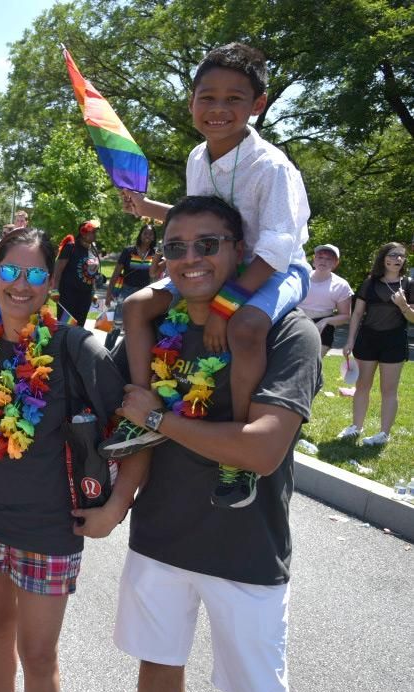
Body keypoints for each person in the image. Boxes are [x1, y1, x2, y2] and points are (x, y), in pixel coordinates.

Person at [89, 195, 320, 692]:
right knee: (158, 665)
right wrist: (116, 503)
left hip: (245, 550)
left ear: (241, 251)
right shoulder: (153, 327)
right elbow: (124, 422)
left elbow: (261, 451)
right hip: (159, 539)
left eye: (208, 244)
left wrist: (158, 418)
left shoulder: (285, 332)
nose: (191, 258)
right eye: (176, 247)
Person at [0, 227, 139, 692]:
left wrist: (116, 507)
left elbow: (134, 428)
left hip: (50, 531)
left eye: (34, 273)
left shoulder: (75, 346)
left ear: (51, 281)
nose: (21, 285)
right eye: (10, 271)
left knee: (37, 654)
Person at [112, 43, 312, 509]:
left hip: (274, 268)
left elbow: (277, 246)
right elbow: (197, 218)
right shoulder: (197, 157)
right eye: (208, 97)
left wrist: (226, 304)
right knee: (136, 306)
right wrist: (146, 207)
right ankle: (140, 412)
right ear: (192, 102)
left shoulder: (272, 166)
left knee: (245, 326)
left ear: (257, 104)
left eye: (233, 99)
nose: (218, 109)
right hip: (218, 263)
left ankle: (238, 447)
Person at [338, 242, 414, 446]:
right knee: (362, 386)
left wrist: (403, 305)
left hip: (394, 341)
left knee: (389, 390)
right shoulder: (369, 283)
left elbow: (413, 318)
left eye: (401, 256)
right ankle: (356, 427)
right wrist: (350, 340)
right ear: (383, 257)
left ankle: (383, 434)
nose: (397, 259)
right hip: (367, 340)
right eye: (393, 254)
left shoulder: (409, 284)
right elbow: (357, 314)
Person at [298, 244, 352, 357]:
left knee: (311, 362)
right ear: (314, 260)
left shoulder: (341, 285)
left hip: (323, 327)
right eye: (320, 257)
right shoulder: (300, 277)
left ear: (335, 263)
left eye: (328, 259)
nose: (323, 261)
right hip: (296, 320)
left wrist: (325, 321)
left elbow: (345, 316)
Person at [51, 220, 102, 325]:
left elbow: (92, 273)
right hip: (68, 295)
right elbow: (58, 270)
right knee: (66, 326)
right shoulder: (71, 247)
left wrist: (94, 292)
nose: (95, 235)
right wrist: (54, 290)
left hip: (85, 296)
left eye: (96, 232)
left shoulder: (93, 249)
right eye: (93, 232)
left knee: (79, 326)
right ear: (83, 233)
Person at [105, 223, 158, 309]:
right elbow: (116, 273)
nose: (147, 236)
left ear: (153, 237)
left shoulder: (155, 254)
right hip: (126, 291)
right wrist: (108, 294)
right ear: (140, 235)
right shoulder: (128, 251)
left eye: (151, 234)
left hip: (144, 293)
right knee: (122, 316)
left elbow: (156, 275)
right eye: (145, 233)